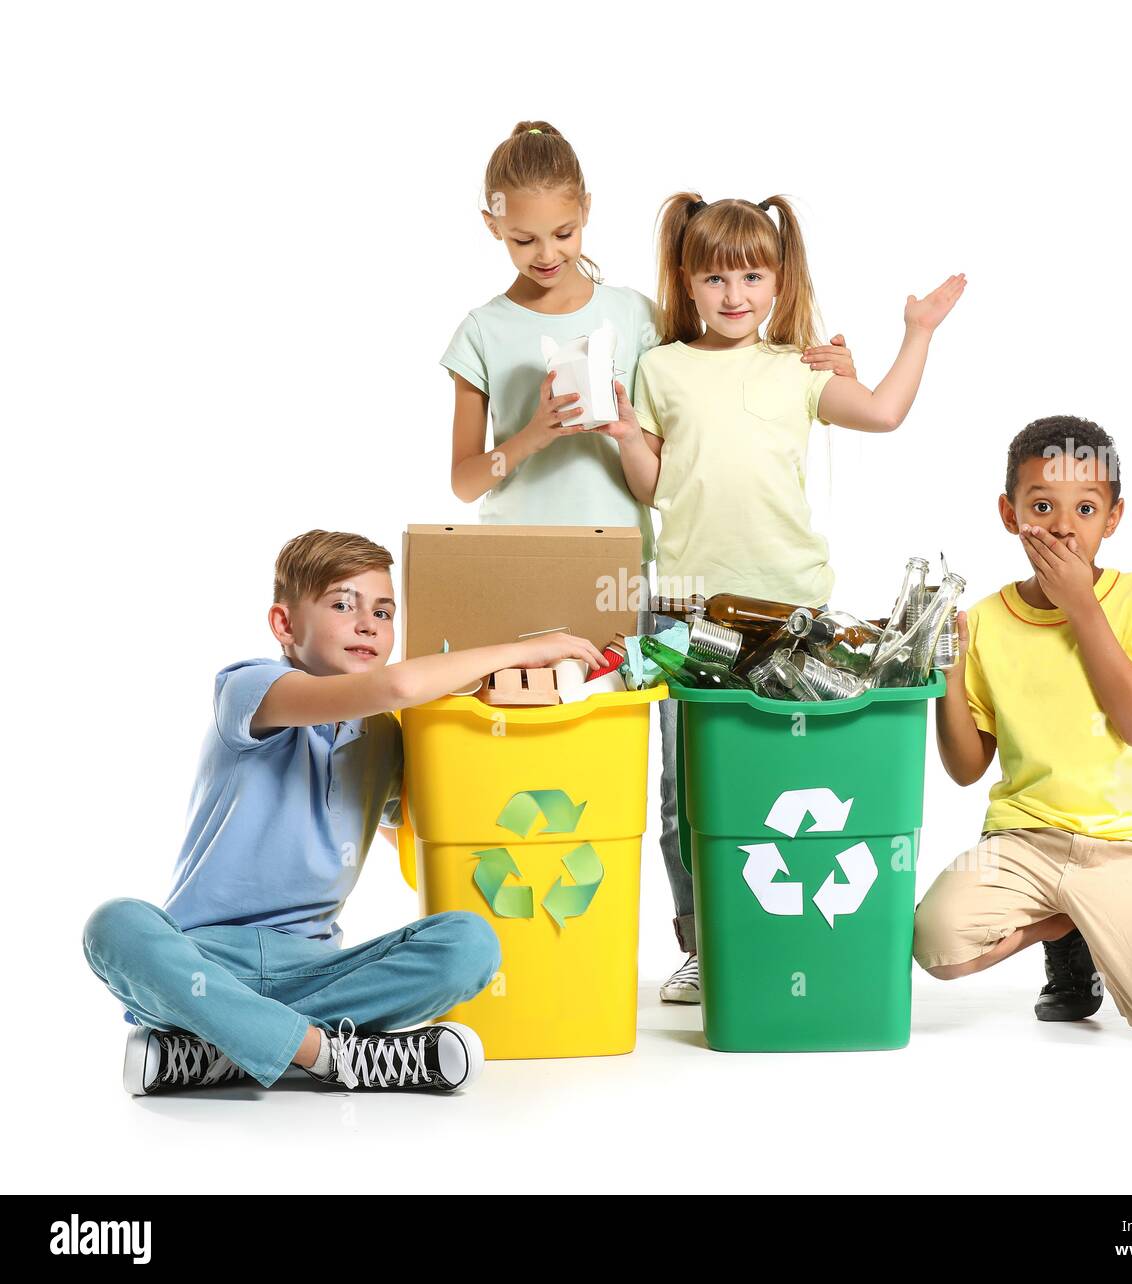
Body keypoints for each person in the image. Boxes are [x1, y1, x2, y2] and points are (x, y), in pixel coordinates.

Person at [441, 127, 861, 1000]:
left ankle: (704, 935)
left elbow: (708, 397)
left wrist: (825, 368)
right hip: (516, 561)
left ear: (587, 214)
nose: (546, 253)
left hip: (630, 573)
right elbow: (462, 478)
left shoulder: (635, 317)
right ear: (491, 227)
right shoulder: (481, 329)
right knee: (522, 757)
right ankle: (510, 951)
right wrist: (529, 438)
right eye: (523, 239)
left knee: (658, 766)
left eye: (561, 233)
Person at [82, 529, 604, 1094]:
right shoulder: (250, 688)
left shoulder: (383, 736)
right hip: (204, 963)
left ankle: (223, 1049)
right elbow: (398, 684)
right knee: (115, 925)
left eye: (383, 611)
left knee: (469, 944)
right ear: (284, 625)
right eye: (341, 605)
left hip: (317, 973)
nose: (368, 625)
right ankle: (328, 1055)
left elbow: (418, 836)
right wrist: (525, 649)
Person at [600, 191, 963, 995]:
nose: (735, 296)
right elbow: (659, 486)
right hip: (687, 611)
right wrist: (628, 435)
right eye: (715, 278)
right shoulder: (662, 368)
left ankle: (791, 928)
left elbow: (883, 412)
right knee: (683, 788)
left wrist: (918, 332)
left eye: (752, 277)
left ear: (778, 279)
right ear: (687, 282)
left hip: (792, 610)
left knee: (791, 770)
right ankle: (702, 941)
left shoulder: (797, 367)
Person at [913, 417, 1132, 1038]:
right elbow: (964, 768)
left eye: (1085, 508)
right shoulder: (986, 620)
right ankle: (1067, 926)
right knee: (936, 943)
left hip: (1128, 843)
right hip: (1024, 840)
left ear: (1113, 518)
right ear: (1010, 514)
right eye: (1042, 506)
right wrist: (948, 671)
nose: (1064, 526)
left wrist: (1080, 606)